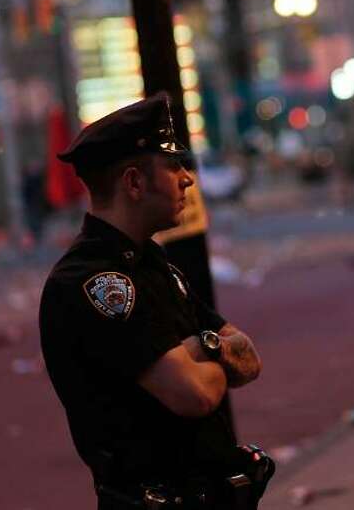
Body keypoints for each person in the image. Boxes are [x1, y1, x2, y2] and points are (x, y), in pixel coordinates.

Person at [39, 93, 273, 509]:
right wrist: (215, 349)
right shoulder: (96, 282)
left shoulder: (153, 263)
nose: (188, 178)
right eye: (173, 166)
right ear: (133, 182)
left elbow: (249, 358)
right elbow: (193, 395)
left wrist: (202, 348)